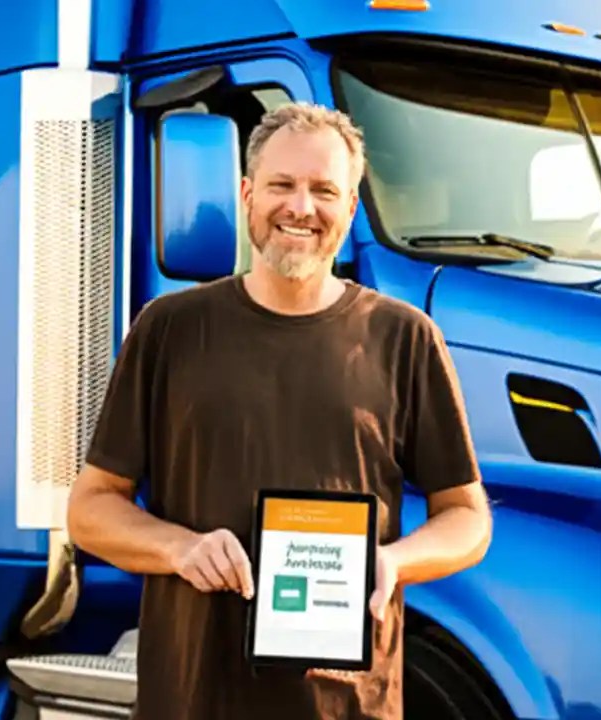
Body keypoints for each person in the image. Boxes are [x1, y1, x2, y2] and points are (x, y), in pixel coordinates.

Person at [66, 102, 492, 720]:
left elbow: (467, 517)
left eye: (324, 190)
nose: (301, 207)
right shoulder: (171, 329)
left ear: (350, 207)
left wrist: (392, 561)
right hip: (191, 700)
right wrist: (179, 549)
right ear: (246, 195)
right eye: (281, 185)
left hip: (347, 705)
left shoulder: (405, 338)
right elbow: (91, 507)